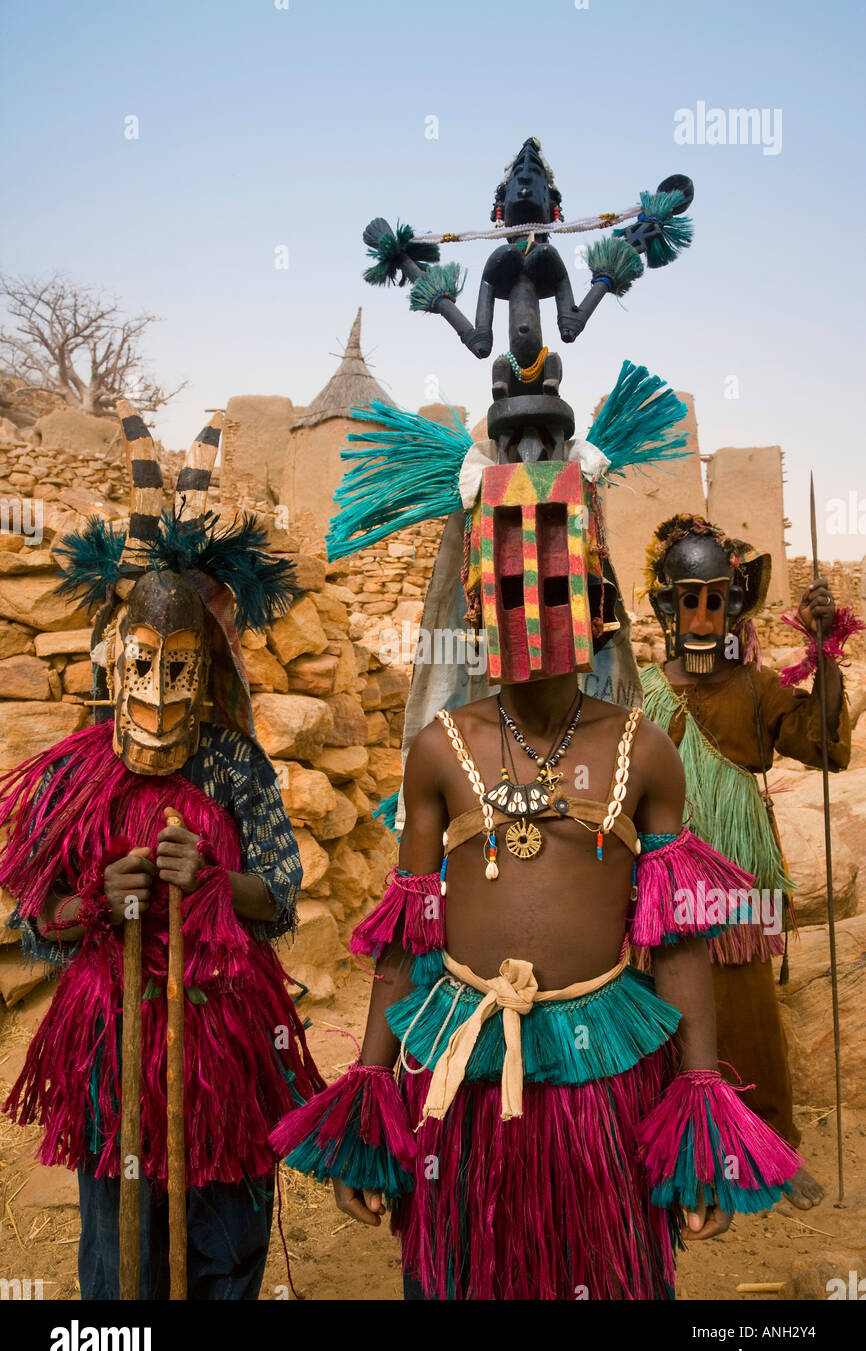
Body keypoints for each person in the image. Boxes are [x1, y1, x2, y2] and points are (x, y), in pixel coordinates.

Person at [271, 403, 800, 1301]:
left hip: (603, 1071)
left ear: (598, 608)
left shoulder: (644, 751)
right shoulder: (440, 750)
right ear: (477, 608)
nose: (529, 613)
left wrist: (700, 1101)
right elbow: (405, 940)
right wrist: (371, 1088)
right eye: (506, 592)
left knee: (608, 1273)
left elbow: (678, 944)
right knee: (459, 1273)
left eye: (555, 591)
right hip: (464, 1065)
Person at [0, 402, 322, 1299]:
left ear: (205, 667)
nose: (159, 689)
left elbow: (282, 893)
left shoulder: (235, 764)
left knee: (226, 1241)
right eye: (143, 664)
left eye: (180, 668)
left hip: (224, 1031)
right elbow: (36, 923)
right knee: (121, 1253)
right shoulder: (73, 775)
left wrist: (220, 885)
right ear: (116, 658)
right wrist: (95, 901)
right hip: (113, 1033)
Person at [638, 513, 858, 1211]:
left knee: (747, 1005)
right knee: (655, 1001)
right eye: (690, 600)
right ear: (668, 608)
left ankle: (770, 1144)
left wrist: (823, 654)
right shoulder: (640, 690)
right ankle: (673, 1145)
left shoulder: (757, 686)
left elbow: (824, 746)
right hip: (659, 878)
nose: (704, 617)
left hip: (739, 877)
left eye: (717, 600)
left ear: (734, 608)